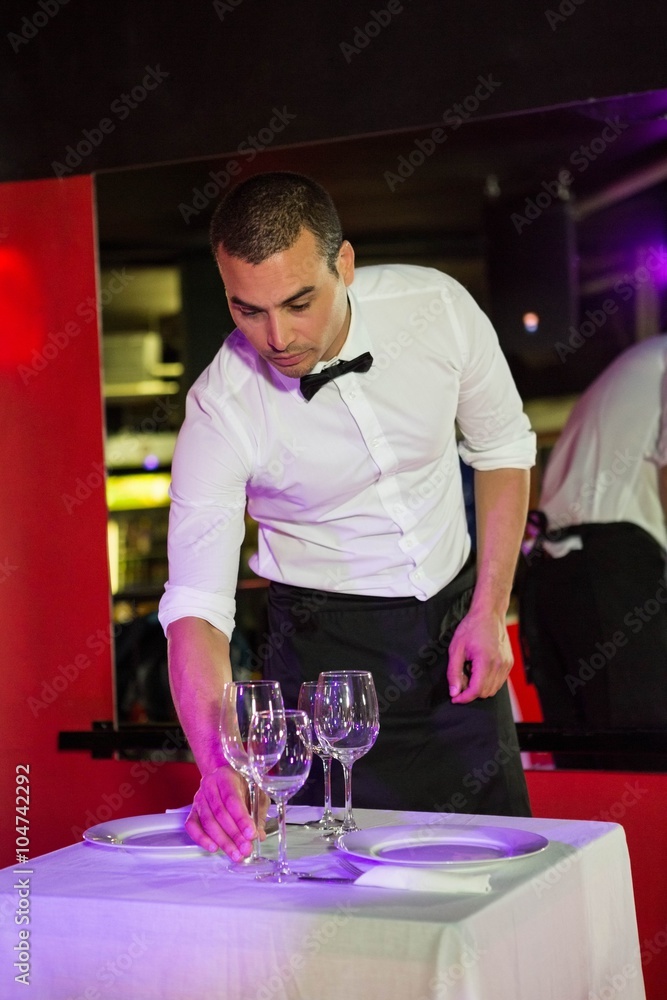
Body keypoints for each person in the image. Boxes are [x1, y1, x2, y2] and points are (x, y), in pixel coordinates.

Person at [158, 172, 536, 861]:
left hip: (457, 632)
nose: (276, 336)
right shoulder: (221, 408)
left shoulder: (437, 308)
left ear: (345, 264)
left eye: (298, 302)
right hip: (325, 659)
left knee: (495, 872)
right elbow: (195, 609)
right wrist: (217, 762)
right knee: (337, 901)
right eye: (247, 310)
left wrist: (490, 607)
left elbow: (502, 447)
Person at [519, 335, 667, 767]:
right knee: (641, 768)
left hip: (563, 574)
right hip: (614, 572)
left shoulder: (646, 357)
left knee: (589, 771)